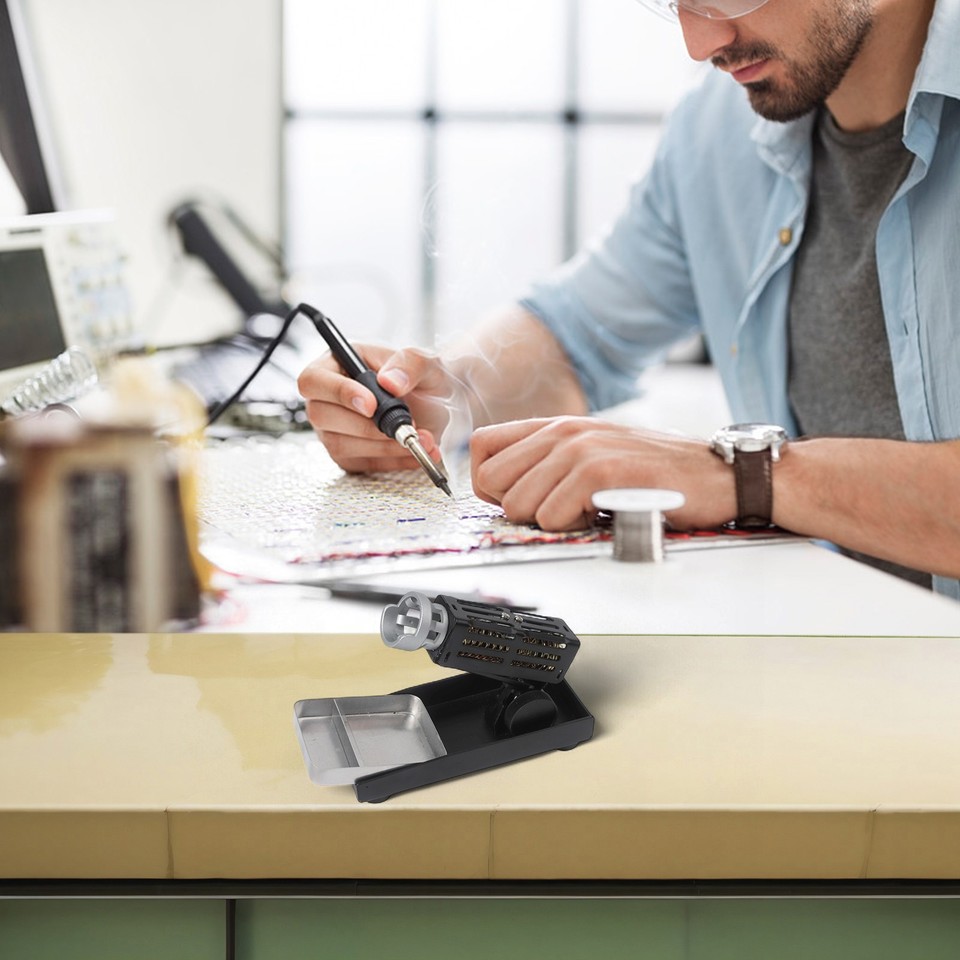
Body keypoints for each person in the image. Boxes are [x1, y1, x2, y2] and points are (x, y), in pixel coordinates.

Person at [298, 0, 960, 600]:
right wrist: (438, 397)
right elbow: (573, 338)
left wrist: (747, 477)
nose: (701, 43)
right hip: (835, 655)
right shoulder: (718, 128)